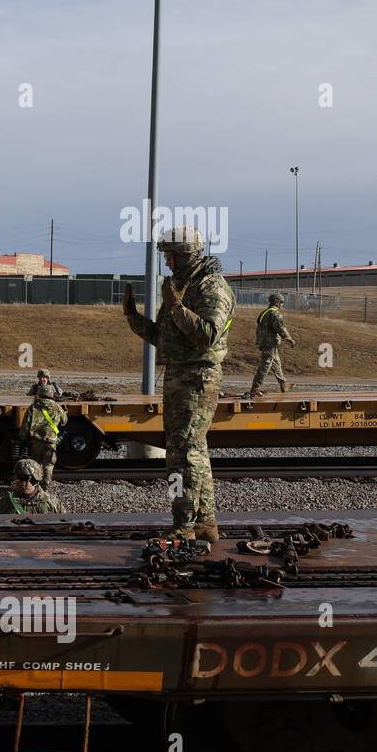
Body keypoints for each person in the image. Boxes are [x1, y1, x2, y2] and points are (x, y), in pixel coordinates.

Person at [123, 225, 235, 543]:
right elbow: (164, 336)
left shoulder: (211, 287)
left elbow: (207, 335)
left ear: (186, 254)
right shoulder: (181, 285)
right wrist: (133, 317)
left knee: (182, 454)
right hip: (179, 376)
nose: (167, 263)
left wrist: (176, 307)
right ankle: (204, 523)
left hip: (198, 378)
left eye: (171, 256)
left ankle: (183, 526)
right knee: (193, 451)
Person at [20, 384, 67, 487]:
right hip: (50, 441)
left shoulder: (33, 407)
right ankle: (45, 487)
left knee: (35, 464)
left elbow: (26, 424)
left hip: (36, 441)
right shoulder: (57, 407)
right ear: (51, 394)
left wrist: (23, 437)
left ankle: (33, 486)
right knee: (48, 465)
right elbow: (64, 421)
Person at [250, 294, 296, 394]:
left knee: (276, 363)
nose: (282, 304)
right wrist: (288, 338)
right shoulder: (275, 313)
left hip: (266, 342)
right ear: (276, 302)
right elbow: (280, 327)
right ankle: (255, 388)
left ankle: (284, 384)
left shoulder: (265, 312)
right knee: (265, 364)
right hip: (269, 343)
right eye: (281, 302)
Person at [0, 459, 65, 514]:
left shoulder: (52, 503)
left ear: (33, 480)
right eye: (18, 477)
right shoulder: (4, 504)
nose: (17, 481)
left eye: (22, 478)